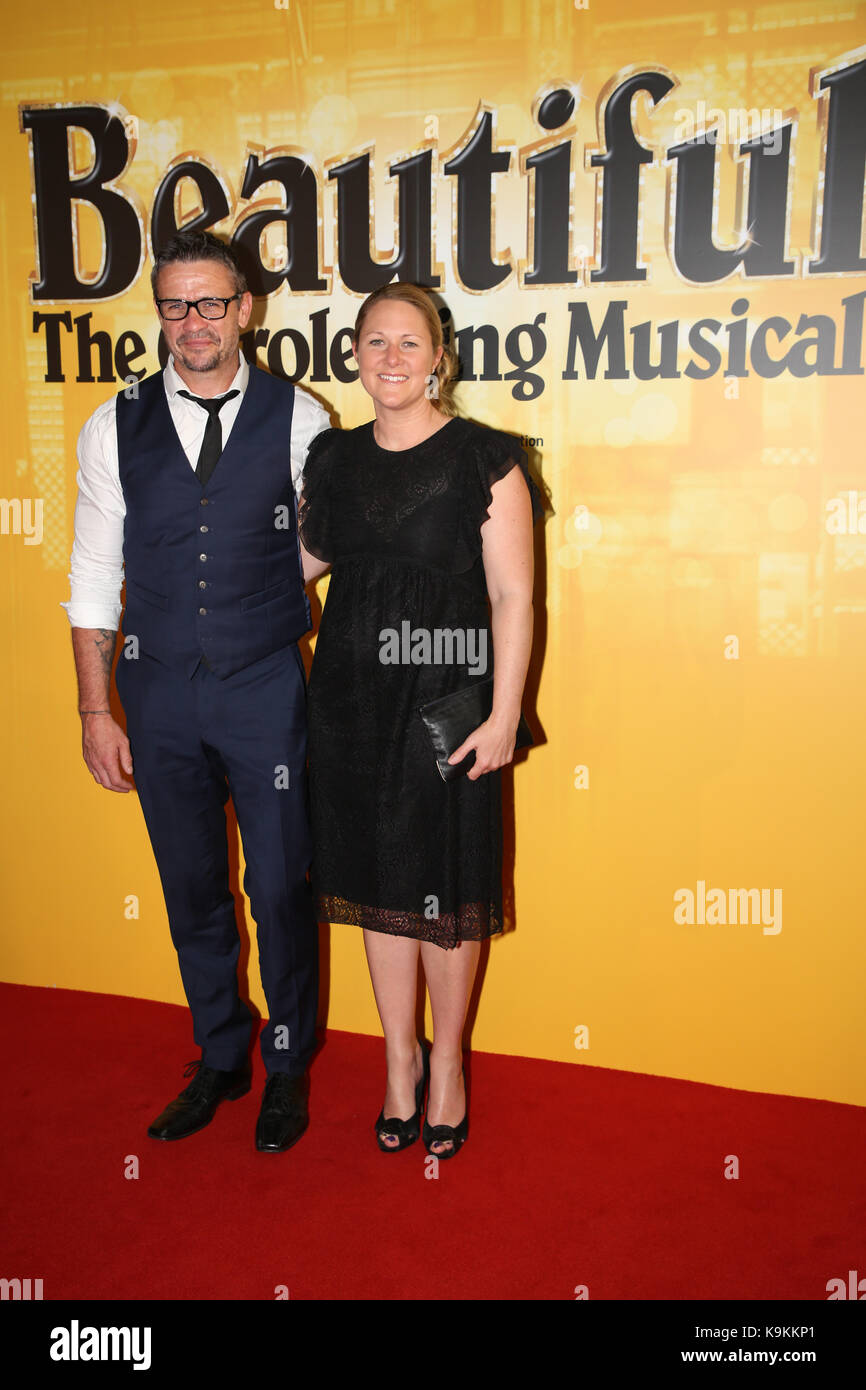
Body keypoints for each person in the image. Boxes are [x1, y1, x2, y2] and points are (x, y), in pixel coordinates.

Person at [64, 230, 329, 1153]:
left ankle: (288, 1065)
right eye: (175, 305)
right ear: (160, 314)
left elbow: (322, 536)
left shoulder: (303, 418)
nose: (193, 323)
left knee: (282, 888)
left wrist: (266, 598)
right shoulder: (115, 422)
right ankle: (220, 1055)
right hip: (159, 694)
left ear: (245, 309)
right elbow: (95, 576)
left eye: (211, 302)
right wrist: (97, 708)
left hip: (265, 691)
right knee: (191, 888)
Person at [298, 282, 542, 1158]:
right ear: (354, 353)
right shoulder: (331, 458)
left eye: (411, 342)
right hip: (351, 707)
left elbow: (514, 595)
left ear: (441, 356)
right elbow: (306, 562)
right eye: (375, 342)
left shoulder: (488, 457)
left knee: (444, 889)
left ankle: (448, 1070)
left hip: (447, 707)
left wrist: (507, 712)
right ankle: (399, 1060)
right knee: (374, 888)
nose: (391, 358)